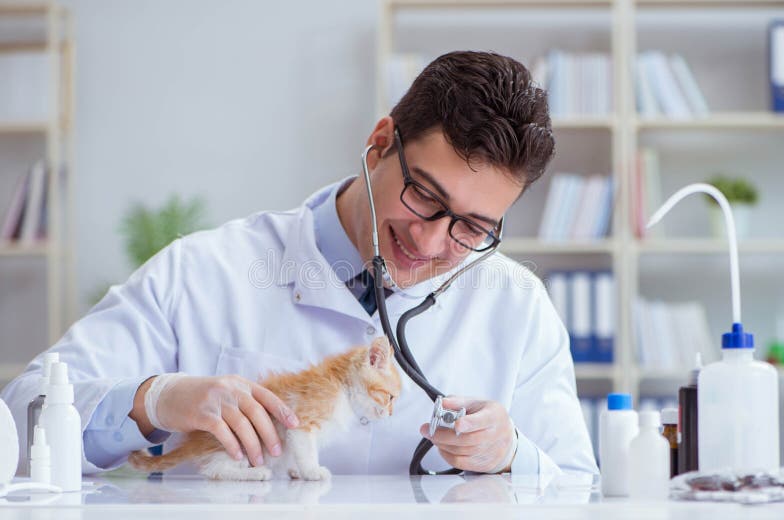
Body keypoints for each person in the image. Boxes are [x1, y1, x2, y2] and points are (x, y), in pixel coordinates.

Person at [1, 51, 597, 477]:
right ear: (380, 143)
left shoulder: (516, 303)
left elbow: (579, 484)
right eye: (425, 197)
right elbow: (18, 420)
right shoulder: (205, 271)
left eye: (472, 226)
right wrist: (153, 400)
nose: (433, 241)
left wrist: (512, 454)